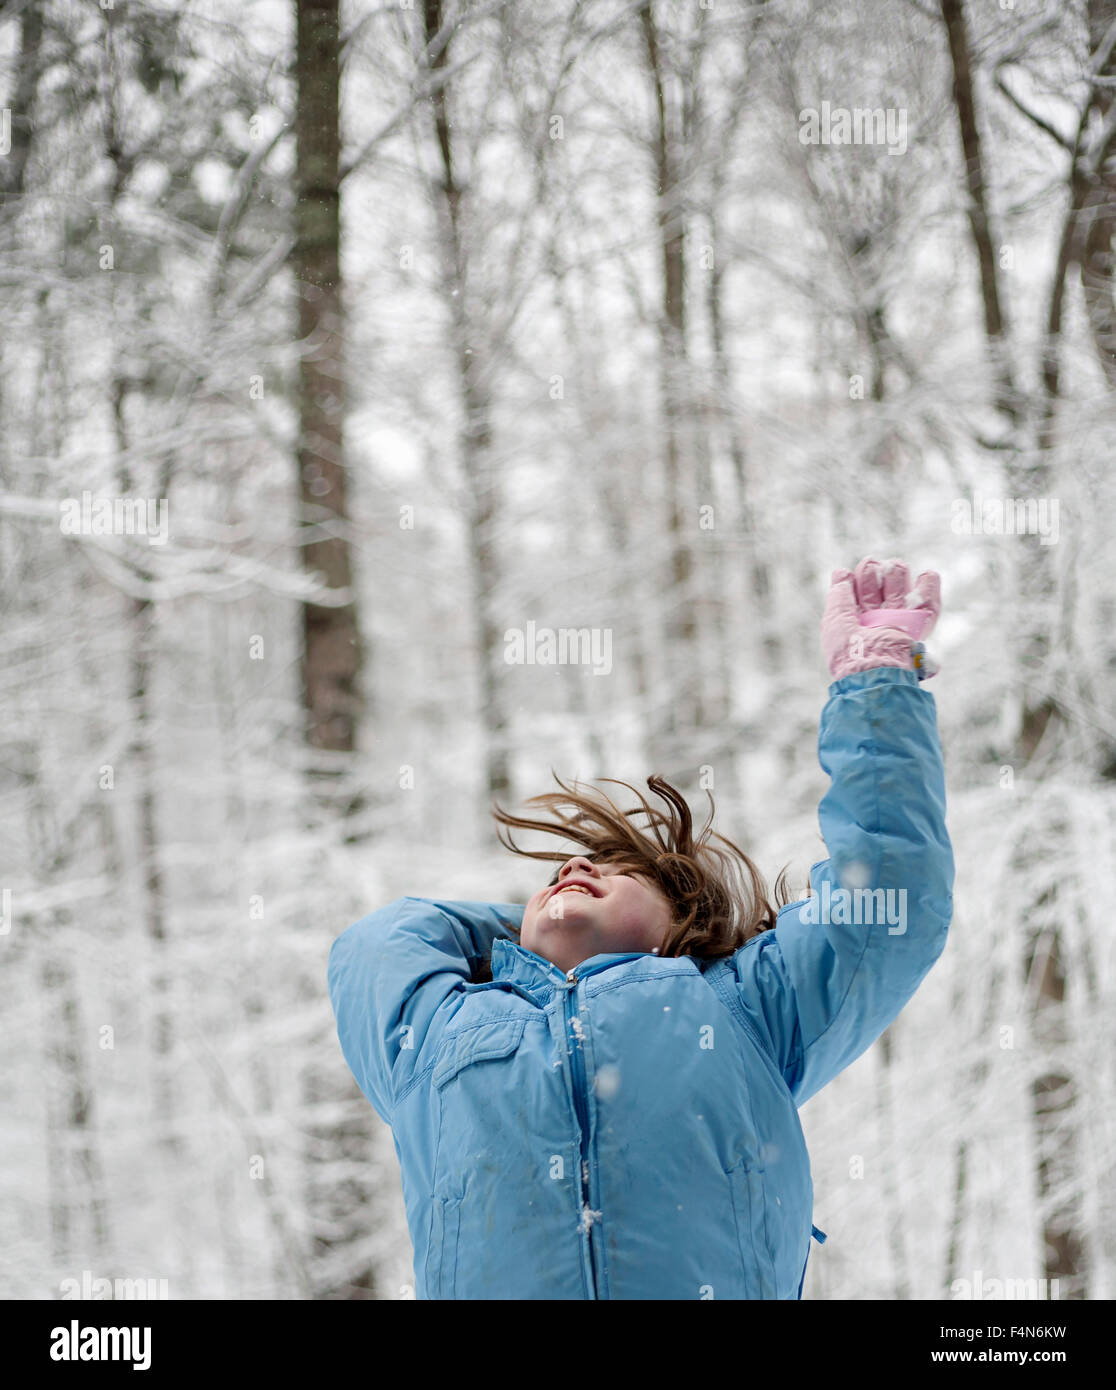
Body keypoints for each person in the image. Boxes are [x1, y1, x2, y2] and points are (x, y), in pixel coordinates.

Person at [327, 556, 955, 1299]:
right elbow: (375, 946)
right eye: (557, 875)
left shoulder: (743, 1007)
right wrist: (526, 942)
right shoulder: (443, 1032)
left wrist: (874, 683)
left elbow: (887, 904)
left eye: (617, 871)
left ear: (684, 923)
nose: (570, 873)